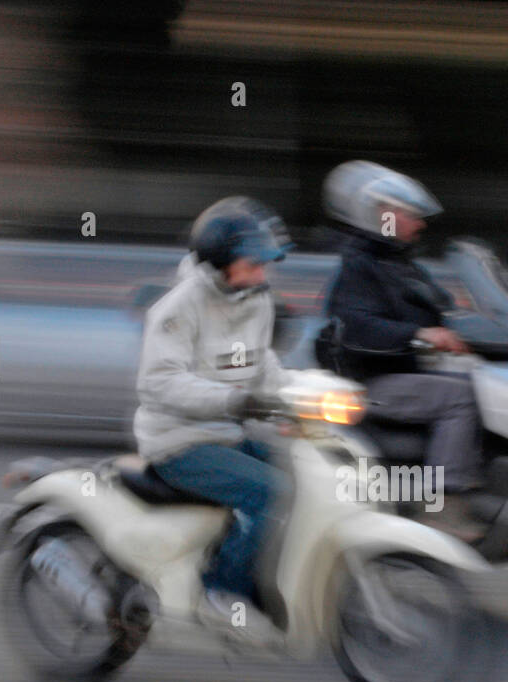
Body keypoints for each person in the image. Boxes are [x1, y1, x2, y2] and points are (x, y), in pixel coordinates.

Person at [132, 197, 293, 645]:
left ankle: (270, 579)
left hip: (227, 434)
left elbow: (266, 368)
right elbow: (159, 384)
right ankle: (222, 591)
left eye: (264, 263)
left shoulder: (256, 300)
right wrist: (234, 401)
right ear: (220, 263)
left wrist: (302, 396)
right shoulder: (178, 308)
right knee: (272, 492)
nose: (262, 272)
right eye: (252, 263)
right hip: (179, 443)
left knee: (307, 474)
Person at [321, 160, 486, 542]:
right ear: (384, 215)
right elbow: (358, 327)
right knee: (460, 397)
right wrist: (421, 334)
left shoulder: (397, 264)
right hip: (371, 383)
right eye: (412, 215)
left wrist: (487, 327)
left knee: (481, 386)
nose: (421, 223)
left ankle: (482, 484)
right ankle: (443, 507)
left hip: (400, 374)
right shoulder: (359, 266)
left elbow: (443, 306)